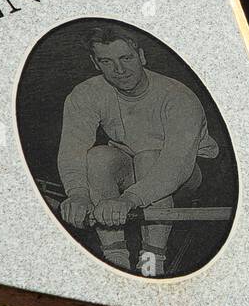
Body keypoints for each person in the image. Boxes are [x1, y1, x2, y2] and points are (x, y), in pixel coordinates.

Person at [56, 24, 219, 275]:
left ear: (141, 56)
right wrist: (77, 194)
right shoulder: (86, 94)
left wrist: (129, 199)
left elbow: (176, 164)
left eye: (126, 58)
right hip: (132, 166)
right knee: (99, 158)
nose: (119, 70)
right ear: (95, 63)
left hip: (189, 171)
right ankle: (116, 259)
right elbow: (72, 149)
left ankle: (153, 263)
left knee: (149, 158)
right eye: (106, 61)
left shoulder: (177, 96)